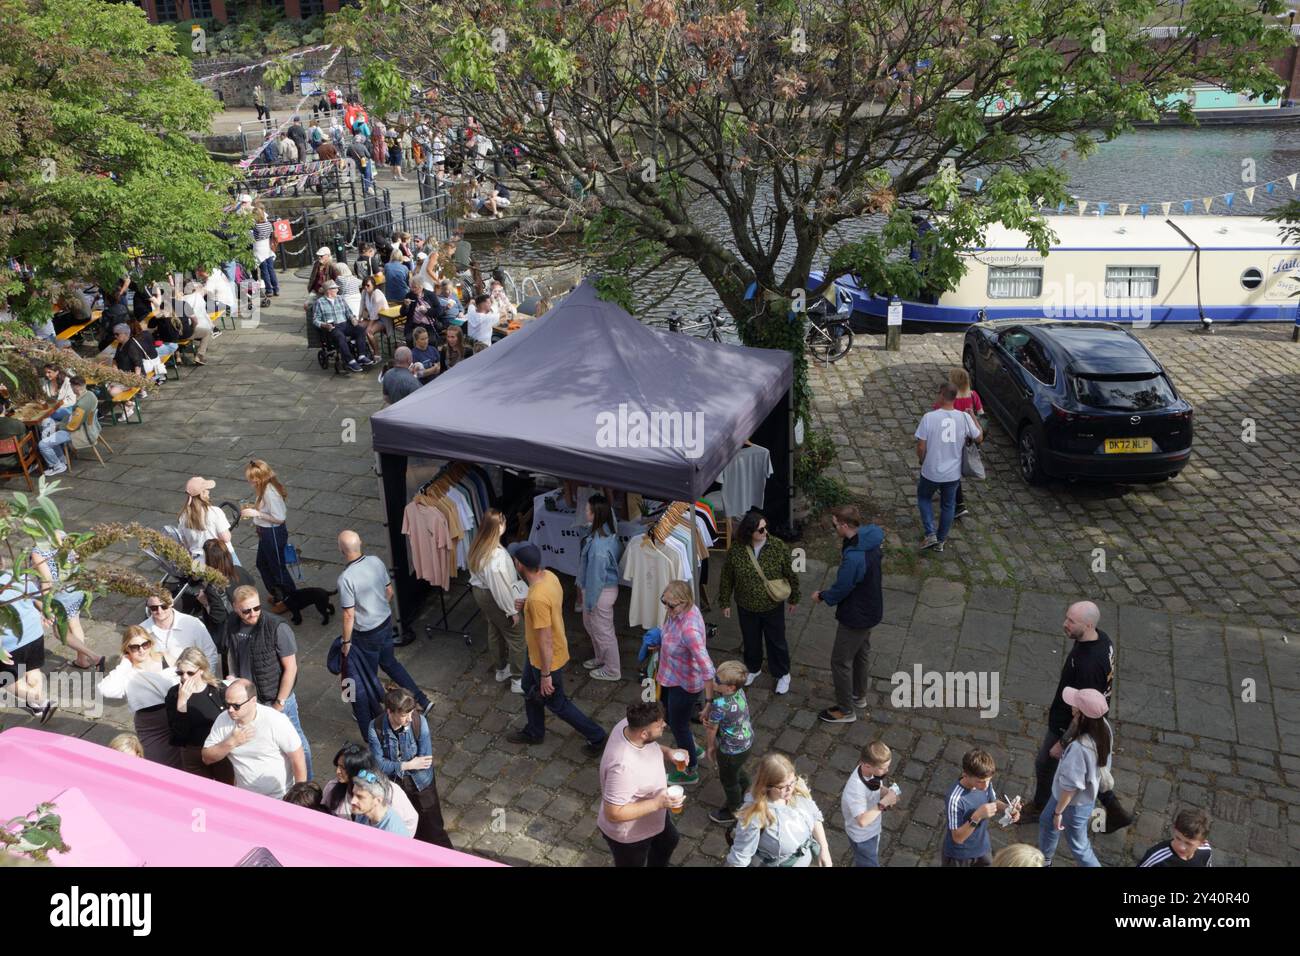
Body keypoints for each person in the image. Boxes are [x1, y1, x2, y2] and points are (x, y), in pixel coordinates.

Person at [1023, 601, 1125, 829]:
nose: (1065, 624)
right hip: (1087, 720)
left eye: (1071, 621)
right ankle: (1114, 809)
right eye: (1067, 617)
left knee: (1046, 763)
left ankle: (1041, 806)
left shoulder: (1089, 666)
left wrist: (1063, 741)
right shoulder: (1101, 638)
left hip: (1068, 724)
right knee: (1093, 766)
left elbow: (1082, 715)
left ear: (1088, 625)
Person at [504, 541, 607, 753]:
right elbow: (547, 604)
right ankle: (534, 731)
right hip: (536, 656)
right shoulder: (549, 577)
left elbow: (545, 640)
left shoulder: (536, 599)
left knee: (557, 703)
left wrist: (546, 674)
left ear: (519, 565)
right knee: (527, 687)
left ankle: (596, 735)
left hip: (546, 660)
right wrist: (527, 604)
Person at [221, 586, 312, 779]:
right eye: (246, 610)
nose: (253, 613)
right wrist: (232, 676)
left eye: (257, 608)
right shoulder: (232, 623)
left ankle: (308, 786)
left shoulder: (277, 627)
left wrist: (279, 703)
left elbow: (291, 668)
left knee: (297, 744)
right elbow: (231, 652)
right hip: (250, 700)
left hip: (275, 699)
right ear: (235, 608)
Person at [338, 530, 432, 714]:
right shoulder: (376, 562)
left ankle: (373, 712)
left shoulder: (346, 579)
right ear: (361, 543)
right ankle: (422, 700)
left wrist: (346, 642)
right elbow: (389, 592)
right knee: (390, 663)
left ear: (341, 550)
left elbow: (348, 615)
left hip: (366, 633)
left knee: (366, 674)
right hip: (385, 623)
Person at [811, 504, 884, 723]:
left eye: (835, 524)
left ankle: (845, 710)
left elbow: (843, 587)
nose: (834, 528)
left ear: (844, 525)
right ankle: (859, 695)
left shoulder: (854, 558)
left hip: (856, 614)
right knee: (861, 652)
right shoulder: (869, 539)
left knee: (840, 661)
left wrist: (822, 595)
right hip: (871, 607)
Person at [717, 509, 800, 694]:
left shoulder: (777, 546)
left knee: (776, 641)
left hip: (772, 605)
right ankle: (753, 669)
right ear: (749, 532)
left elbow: (790, 573)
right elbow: (727, 577)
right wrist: (724, 602)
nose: (765, 532)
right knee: (750, 640)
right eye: (760, 530)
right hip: (746, 606)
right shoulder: (737, 550)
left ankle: (783, 673)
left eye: (765, 528)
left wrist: (795, 597)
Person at [597, 700, 684, 866]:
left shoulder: (628, 725)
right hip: (630, 836)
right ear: (644, 733)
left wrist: (668, 752)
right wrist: (658, 803)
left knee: (669, 841)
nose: (664, 725)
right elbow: (613, 813)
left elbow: (649, 746)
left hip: (653, 818)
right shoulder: (623, 767)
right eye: (659, 725)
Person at [366, 688, 454, 847]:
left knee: (434, 830)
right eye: (404, 715)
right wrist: (407, 764)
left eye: (411, 713)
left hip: (422, 784)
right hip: (395, 787)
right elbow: (378, 765)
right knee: (406, 829)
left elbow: (425, 761)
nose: (410, 719)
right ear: (389, 712)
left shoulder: (420, 722)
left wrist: (394, 766)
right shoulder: (375, 727)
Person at [1039, 687, 1109, 867]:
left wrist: (1058, 812)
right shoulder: (1104, 729)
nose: (1072, 706)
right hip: (1077, 799)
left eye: (1075, 706)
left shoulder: (1079, 749)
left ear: (1082, 715)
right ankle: (1044, 860)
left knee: (1079, 846)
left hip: (1071, 804)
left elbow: (1070, 788)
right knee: (1046, 822)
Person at [202, 678, 306, 799]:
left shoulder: (275, 721)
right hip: (245, 797)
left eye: (236, 706)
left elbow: (298, 758)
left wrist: (299, 798)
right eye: (227, 704)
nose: (230, 710)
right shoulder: (223, 719)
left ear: (253, 701)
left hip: (279, 796)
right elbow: (206, 758)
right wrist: (232, 742)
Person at [726, 753, 833, 867]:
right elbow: (740, 857)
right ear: (767, 786)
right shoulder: (754, 815)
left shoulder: (798, 787)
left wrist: (824, 849)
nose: (790, 789)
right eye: (782, 787)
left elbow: (813, 814)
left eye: (792, 782)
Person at [657, 580, 715, 786]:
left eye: (671, 605)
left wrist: (708, 702)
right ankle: (692, 747)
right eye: (664, 602)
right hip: (671, 677)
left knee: (678, 725)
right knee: (672, 719)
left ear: (685, 602)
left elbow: (708, 668)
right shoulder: (680, 612)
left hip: (684, 684)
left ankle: (689, 770)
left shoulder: (689, 631)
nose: (667, 608)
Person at [98, 626, 182, 767]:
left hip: (179, 717)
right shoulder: (127, 672)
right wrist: (124, 664)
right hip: (152, 726)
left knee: (187, 762)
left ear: (150, 643)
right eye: (135, 647)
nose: (142, 650)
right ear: (127, 650)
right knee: (158, 765)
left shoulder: (166, 658)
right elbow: (107, 690)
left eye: (145, 644)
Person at [914, 380, 982, 552]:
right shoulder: (964, 418)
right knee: (948, 505)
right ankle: (941, 540)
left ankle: (930, 533)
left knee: (924, 497)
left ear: (942, 395)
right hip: (952, 474)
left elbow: (921, 446)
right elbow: (979, 437)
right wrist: (972, 415)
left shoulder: (929, 417)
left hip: (931, 470)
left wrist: (922, 460)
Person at [467, 509, 526, 693]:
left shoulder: (478, 545)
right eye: (503, 522)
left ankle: (501, 669)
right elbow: (500, 590)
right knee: (517, 636)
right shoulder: (496, 558)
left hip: (481, 593)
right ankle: (518, 679)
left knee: (495, 630)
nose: (505, 525)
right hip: (493, 596)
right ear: (497, 527)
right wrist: (512, 611)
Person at [29, 529, 102, 670]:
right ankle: (82, 661)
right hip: (76, 589)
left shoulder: (38, 552)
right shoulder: (63, 535)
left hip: (60, 598)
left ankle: (94, 657)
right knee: (75, 625)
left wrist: (46, 607)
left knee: (59, 633)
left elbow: (47, 581)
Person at [164, 646, 236, 784]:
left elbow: (233, 718)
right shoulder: (174, 695)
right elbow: (178, 736)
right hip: (193, 751)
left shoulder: (217, 689)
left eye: (190, 673)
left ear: (201, 670)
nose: (185, 678)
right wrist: (182, 703)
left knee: (227, 788)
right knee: (199, 791)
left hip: (219, 749)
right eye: (180, 673)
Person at [941, 748, 1019, 867]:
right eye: (980, 782)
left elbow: (993, 802)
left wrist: (1007, 808)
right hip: (960, 856)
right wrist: (977, 817)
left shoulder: (985, 782)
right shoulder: (955, 799)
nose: (985, 785)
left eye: (988, 781)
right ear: (965, 775)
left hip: (983, 848)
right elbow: (957, 838)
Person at [0, 564, 56, 723]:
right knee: (32, 669)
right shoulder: (18, 575)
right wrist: (46, 611)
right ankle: (37, 706)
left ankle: (42, 702)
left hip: (10, 643)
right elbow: (36, 596)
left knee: (7, 679)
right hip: (34, 633)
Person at [576, 494, 623, 681]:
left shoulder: (598, 548)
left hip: (599, 593)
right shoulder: (606, 531)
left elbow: (595, 580)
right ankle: (601, 658)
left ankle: (612, 670)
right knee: (593, 626)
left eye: (587, 510)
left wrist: (588, 602)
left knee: (603, 631)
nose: (584, 512)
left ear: (595, 515)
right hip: (601, 590)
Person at [322, 743, 420, 833]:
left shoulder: (389, 793)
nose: (338, 771)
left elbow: (410, 820)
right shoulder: (332, 788)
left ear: (377, 800)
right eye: (338, 766)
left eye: (343, 768)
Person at [703, 660, 755, 826]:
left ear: (730, 687)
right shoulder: (739, 693)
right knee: (736, 770)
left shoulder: (720, 705)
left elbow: (712, 729)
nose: (714, 681)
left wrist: (711, 747)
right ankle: (747, 786)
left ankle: (734, 810)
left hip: (730, 750)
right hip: (746, 742)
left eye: (718, 681)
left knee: (728, 780)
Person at [241, 459, 298, 602]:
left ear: (260, 479)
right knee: (262, 564)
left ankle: (290, 598)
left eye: (252, 479)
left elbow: (279, 518)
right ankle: (278, 594)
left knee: (277, 567)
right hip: (266, 533)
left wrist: (257, 514)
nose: (250, 482)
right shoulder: (265, 488)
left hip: (272, 534)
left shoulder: (269, 493)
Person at [840, 740, 898, 866]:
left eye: (888, 766)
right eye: (883, 768)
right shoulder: (855, 789)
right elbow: (862, 821)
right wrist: (883, 803)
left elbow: (874, 788)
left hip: (873, 829)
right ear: (866, 765)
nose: (887, 771)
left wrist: (886, 792)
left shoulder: (869, 772)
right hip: (863, 837)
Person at [937, 366, 983, 520]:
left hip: (950, 439)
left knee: (949, 471)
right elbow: (981, 414)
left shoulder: (951, 400)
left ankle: (958, 503)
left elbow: (937, 413)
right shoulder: (974, 395)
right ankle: (957, 502)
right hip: (966, 439)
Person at [195, 538, 256, 652]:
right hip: (250, 623)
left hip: (232, 635)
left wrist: (205, 603)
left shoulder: (213, 587)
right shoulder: (239, 570)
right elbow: (252, 585)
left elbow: (218, 618)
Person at [36, 376, 100, 477]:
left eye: (71, 386)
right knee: (48, 425)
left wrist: (58, 426)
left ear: (77, 387)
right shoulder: (90, 394)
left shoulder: (81, 405)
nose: (70, 388)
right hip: (84, 427)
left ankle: (57, 466)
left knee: (43, 444)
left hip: (77, 432)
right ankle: (61, 459)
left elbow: (72, 427)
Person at [140, 590, 219, 670]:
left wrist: (205, 679)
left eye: (164, 606)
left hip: (191, 677)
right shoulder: (142, 630)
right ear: (148, 608)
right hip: (156, 680)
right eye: (154, 608)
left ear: (171, 603)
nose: (159, 611)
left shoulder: (193, 624)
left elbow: (210, 653)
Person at [312, 279, 375, 373]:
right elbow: (315, 320)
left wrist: (353, 318)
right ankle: (350, 360)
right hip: (332, 327)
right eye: (335, 289)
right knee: (340, 337)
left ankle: (362, 356)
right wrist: (324, 325)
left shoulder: (340, 298)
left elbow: (348, 312)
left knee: (360, 330)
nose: (337, 290)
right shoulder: (319, 302)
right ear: (329, 290)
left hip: (345, 324)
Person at [177, 476, 237, 564]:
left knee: (200, 578)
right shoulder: (215, 512)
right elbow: (226, 538)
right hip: (221, 558)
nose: (209, 491)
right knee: (239, 575)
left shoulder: (183, 517)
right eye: (207, 489)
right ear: (202, 494)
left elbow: (184, 543)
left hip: (198, 562)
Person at [1138, 807, 1213, 867]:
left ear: (1202, 843)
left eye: (1189, 843)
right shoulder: (1156, 858)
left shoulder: (1206, 851)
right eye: (1178, 838)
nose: (1181, 847)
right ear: (1174, 830)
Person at [349, 770, 412, 837]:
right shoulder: (362, 813)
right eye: (353, 794)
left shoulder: (392, 832)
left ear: (378, 800)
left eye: (360, 797)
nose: (352, 801)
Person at [251, 207, 279, 299]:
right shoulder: (268, 224)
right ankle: (276, 288)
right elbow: (271, 234)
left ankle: (269, 290)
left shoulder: (256, 226)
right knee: (271, 269)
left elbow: (253, 237)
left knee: (264, 271)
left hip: (259, 249)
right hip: (267, 248)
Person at [359, 273, 390, 352]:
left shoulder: (377, 293)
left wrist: (369, 325)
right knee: (358, 327)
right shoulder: (364, 292)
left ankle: (377, 353)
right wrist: (359, 318)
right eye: (364, 285)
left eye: (368, 285)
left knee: (369, 332)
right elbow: (361, 305)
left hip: (382, 318)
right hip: (372, 318)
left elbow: (374, 312)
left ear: (373, 285)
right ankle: (364, 351)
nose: (366, 287)